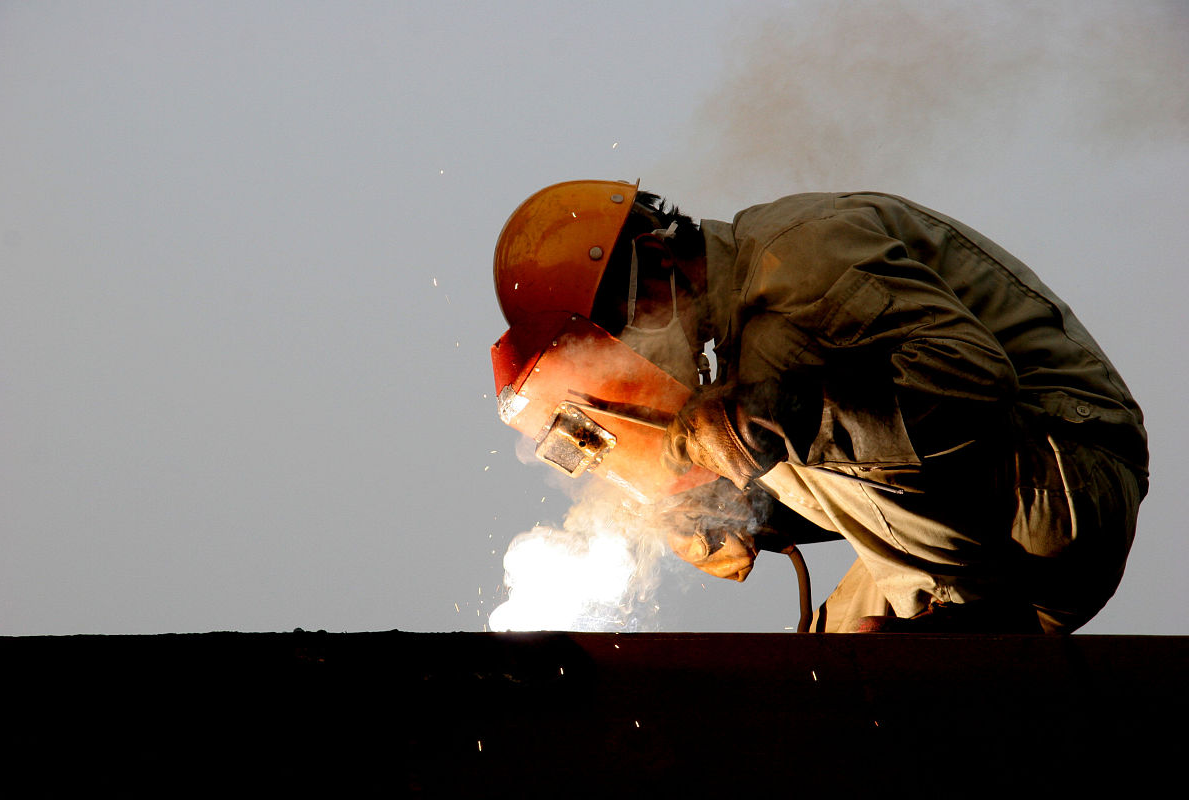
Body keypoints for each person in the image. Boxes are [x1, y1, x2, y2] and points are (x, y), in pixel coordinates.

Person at [492, 180, 1148, 633]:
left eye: (621, 334)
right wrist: (748, 515)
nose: (641, 361)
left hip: (1068, 482)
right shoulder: (752, 328)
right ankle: (953, 626)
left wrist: (784, 419)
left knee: (761, 407)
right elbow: (877, 460)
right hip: (1011, 517)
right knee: (824, 671)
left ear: (658, 263)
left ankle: (966, 629)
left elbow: (973, 387)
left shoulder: (794, 263)